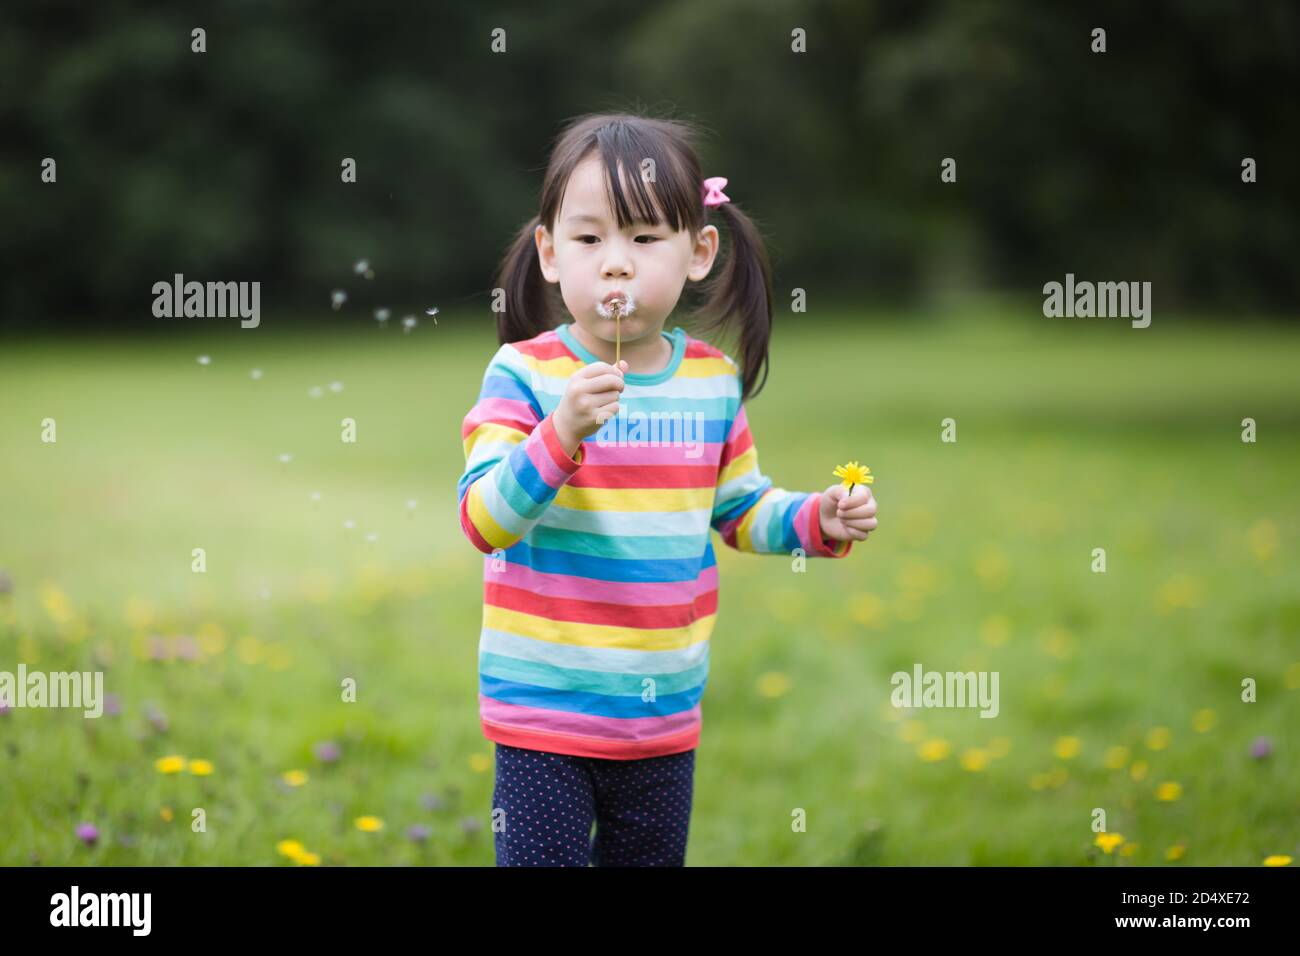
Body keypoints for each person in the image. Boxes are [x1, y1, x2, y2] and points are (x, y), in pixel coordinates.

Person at [456, 112, 878, 866]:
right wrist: (560, 434)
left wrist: (819, 519)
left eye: (644, 238)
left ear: (698, 252)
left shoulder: (711, 384)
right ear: (550, 254)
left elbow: (742, 509)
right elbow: (485, 519)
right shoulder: (523, 375)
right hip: (543, 715)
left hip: (662, 715)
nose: (616, 264)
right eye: (589, 240)